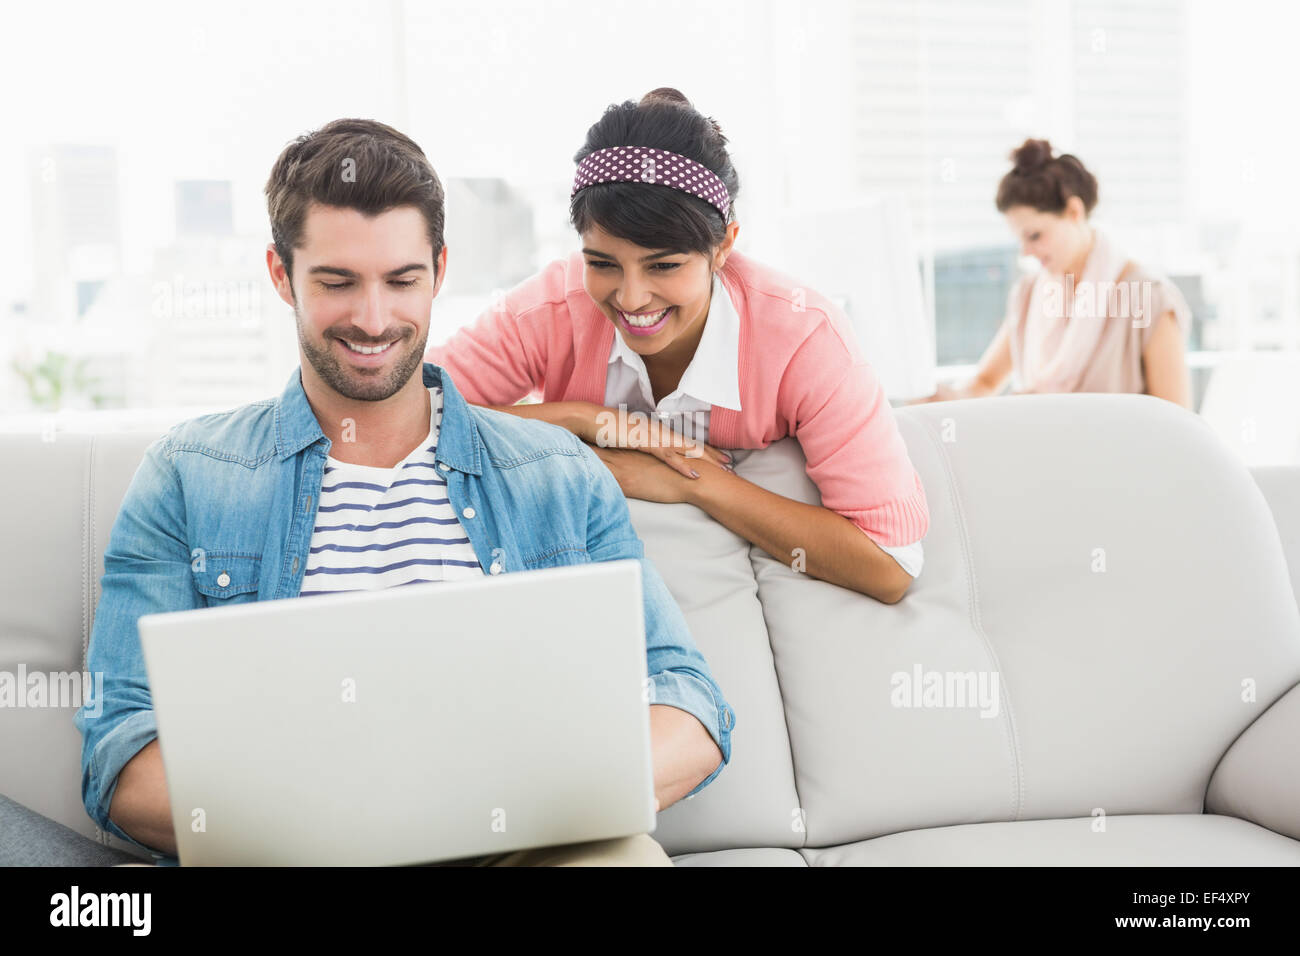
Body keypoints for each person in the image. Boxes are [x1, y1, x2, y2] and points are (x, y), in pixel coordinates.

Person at [0, 118, 736, 868]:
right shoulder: (189, 477)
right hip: (285, 854)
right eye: (337, 281)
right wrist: (339, 819)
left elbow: (688, 702)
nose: (374, 319)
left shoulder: (555, 473)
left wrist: (490, 798)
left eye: (401, 280)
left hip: (516, 843)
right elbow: (123, 756)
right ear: (281, 275)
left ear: (440, 270)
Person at [427, 89, 930, 603]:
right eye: (602, 264)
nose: (630, 297)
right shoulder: (554, 306)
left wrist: (694, 483)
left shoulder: (805, 337)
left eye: (664, 266)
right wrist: (585, 420)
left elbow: (890, 562)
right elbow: (404, 412)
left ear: (724, 247)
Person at [915, 138, 1192, 408]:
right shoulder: (1028, 294)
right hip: (1036, 452)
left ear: (1074, 211)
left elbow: (1176, 423)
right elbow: (985, 384)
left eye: (1035, 235)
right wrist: (940, 399)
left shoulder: (1148, 298)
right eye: (1020, 240)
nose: (1026, 251)